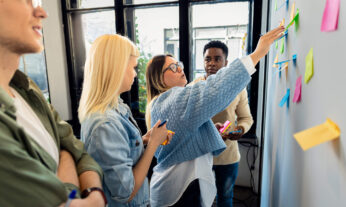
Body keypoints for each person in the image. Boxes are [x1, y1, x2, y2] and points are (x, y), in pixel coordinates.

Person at [145, 26, 285, 207]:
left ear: (225, 61)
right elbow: (215, 89)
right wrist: (258, 53)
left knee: (224, 198)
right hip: (179, 190)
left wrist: (212, 130)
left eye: (179, 64)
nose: (180, 69)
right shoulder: (175, 99)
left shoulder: (162, 102)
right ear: (158, 77)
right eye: (173, 67)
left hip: (181, 183)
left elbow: (183, 136)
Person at [0, 0, 107, 206]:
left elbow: (78, 152)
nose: (42, 12)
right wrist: (79, 196)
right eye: (25, 1)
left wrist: (93, 192)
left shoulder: (27, 89)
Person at [78, 34, 172, 207]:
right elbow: (125, 192)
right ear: (117, 68)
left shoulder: (118, 107)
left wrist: (143, 140)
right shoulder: (104, 124)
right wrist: (153, 146)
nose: (135, 74)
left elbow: (123, 150)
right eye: (133, 67)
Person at [191, 40, 254, 207]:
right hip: (199, 155)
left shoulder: (237, 88)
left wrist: (240, 129)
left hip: (227, 156)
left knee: (225, 199)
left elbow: (246, 118)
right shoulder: (193, 87)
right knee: (197, 200)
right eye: (207, 59)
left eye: (217, 59)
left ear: (226, 62)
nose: (211, 63)